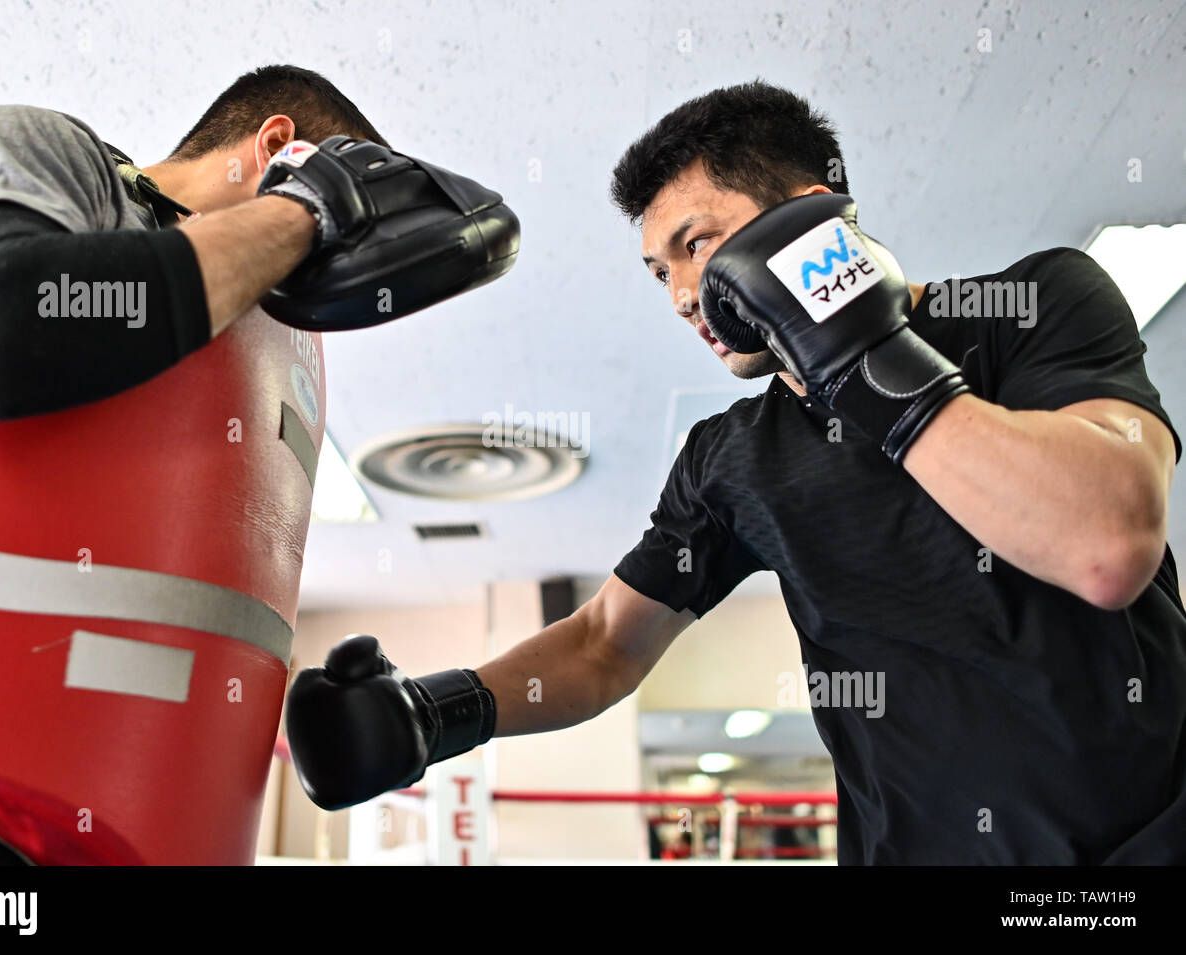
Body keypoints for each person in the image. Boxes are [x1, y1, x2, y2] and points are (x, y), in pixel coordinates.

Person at [288, 80, 1185, 865]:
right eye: (658, 270)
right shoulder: (729, 458)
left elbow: (1107, 545)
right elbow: (604, 643)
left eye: (698, 242)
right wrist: (439, 712)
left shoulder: (1032, 307)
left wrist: (859, 351)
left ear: (812, 211)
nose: (681, 293)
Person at [0, 64, 514, 864]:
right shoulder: (47, 150)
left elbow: (163, 583)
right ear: (282, 149)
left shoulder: (271, 355)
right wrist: (310, 213)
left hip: (129, 825)